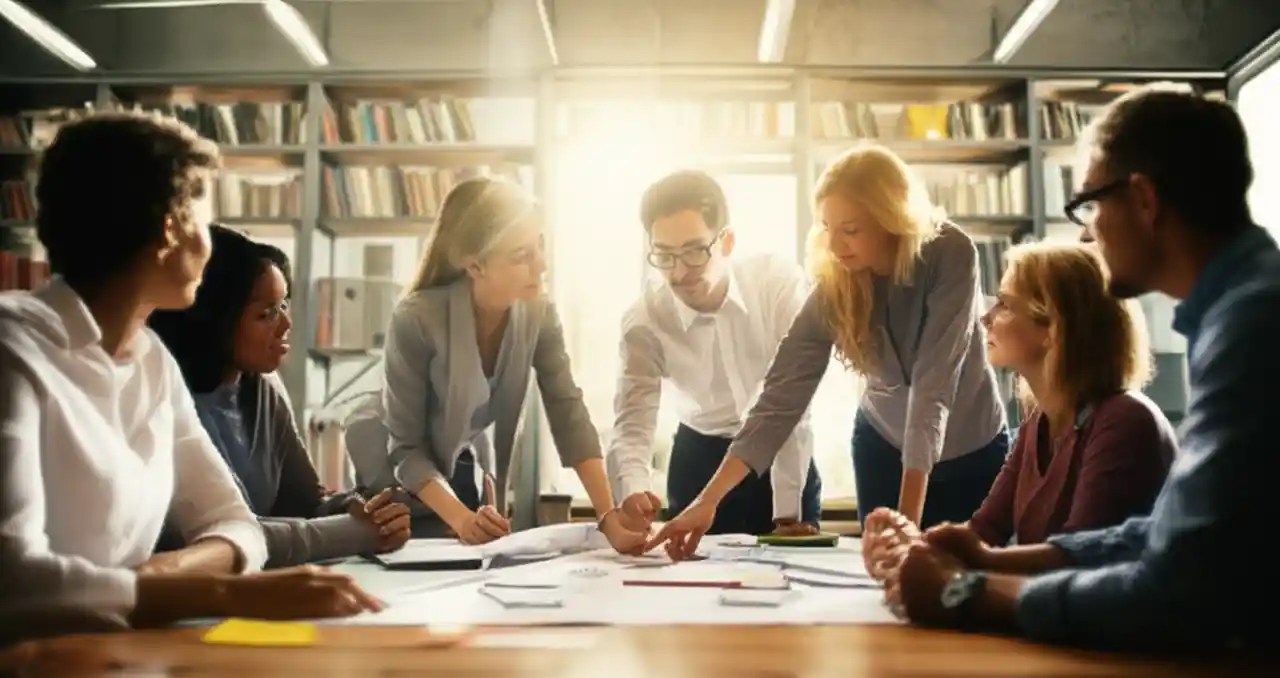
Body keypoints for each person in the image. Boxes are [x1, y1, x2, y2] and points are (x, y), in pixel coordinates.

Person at [885, 85, 1280, 652]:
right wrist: (991, 559)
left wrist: (964, 591)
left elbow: (1173, 591)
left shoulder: (1252, 326)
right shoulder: (1235, 313)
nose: (1089, 233)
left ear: (1144, 200)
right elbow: (1170, 537)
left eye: (1092, 204)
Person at [0, 114, 381, 644]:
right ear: (170, 227)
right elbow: (14, 584)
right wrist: (222, 591)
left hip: (111, 661)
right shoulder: (12, 351)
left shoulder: (153, 359)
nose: (209, 243)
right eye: (204, 221)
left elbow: (238, 524)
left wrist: (145, 582)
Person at [650, 144, 1008, 558]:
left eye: (851, 229)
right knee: (884, 585)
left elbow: (933, 390)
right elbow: (780, 396)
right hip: (883, 446)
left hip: (972, 450)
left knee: (965, 586)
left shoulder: (951, 252)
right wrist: (705, 502)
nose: (835, 245)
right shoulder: (838, 279)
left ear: (890, 219)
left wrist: (907, 527)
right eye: (827, 227)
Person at [345, 176, 652, 551]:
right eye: (521, 255)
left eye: (541, 245)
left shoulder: (538, 314)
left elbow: (568, 412)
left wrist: (609, 518)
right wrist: (461, 519)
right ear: (475, 265)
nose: (542, 265)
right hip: (392, 473)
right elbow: (406, 447)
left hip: (453, 466)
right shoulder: (416, 317)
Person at [861, 242, 1176, 579]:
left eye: (1006, 305)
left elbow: (1078, 561)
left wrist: (954, 559)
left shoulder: (1125, 423)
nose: (986, 318)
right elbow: (984, 531)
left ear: (1054, 328)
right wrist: (910, 547)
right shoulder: (1038, 420)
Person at [149, 225, 411, 568]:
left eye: (284, 305)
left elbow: (303, 502)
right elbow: (219, 539)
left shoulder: (264, 385)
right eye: (266, 313)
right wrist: (352, 533)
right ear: (214, 320)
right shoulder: (162, 394)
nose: (286, 324)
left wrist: (358, 510)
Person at [608, 170, 821, 536]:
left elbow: (790, 402)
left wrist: (788, 510)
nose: (679, 272)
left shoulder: (777, 284)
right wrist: (632, 492)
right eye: (664, 255)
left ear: (726, 242)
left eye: (694, 252)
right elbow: (632, 423)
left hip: (782, 450)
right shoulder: (644, 322)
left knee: (791, 582)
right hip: (699, 459)